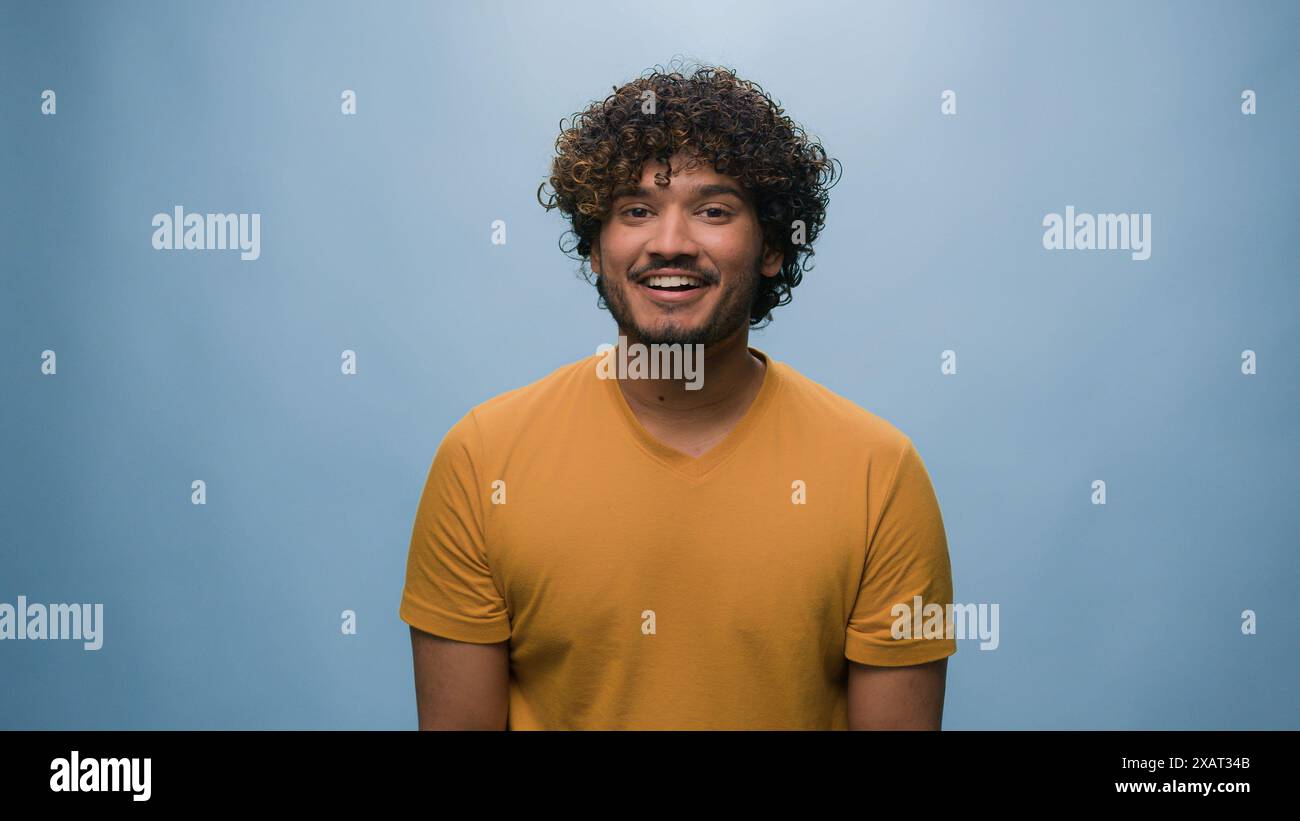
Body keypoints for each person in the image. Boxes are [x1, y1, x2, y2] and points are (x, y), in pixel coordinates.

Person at [399, 63, 956, 730]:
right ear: (596, 243)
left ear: (773, 245)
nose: (670, 244)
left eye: (713, 211)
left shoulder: (880, 473)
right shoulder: (480, 460)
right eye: (636, 210)